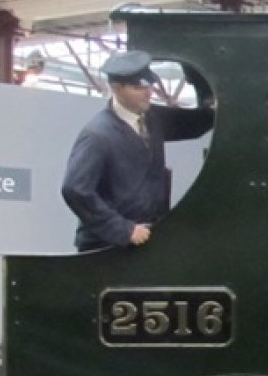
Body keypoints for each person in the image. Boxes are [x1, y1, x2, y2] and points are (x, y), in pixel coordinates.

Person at [62, 50, 214, 251]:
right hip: (108, 247)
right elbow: (75, 189)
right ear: (116, 88)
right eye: (138, 87)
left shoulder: (152, 119)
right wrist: (122, 229)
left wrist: (200, 79)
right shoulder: (98, 135)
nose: (148, 92)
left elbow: (196, 124)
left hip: (146, 239)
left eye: (149, 85)